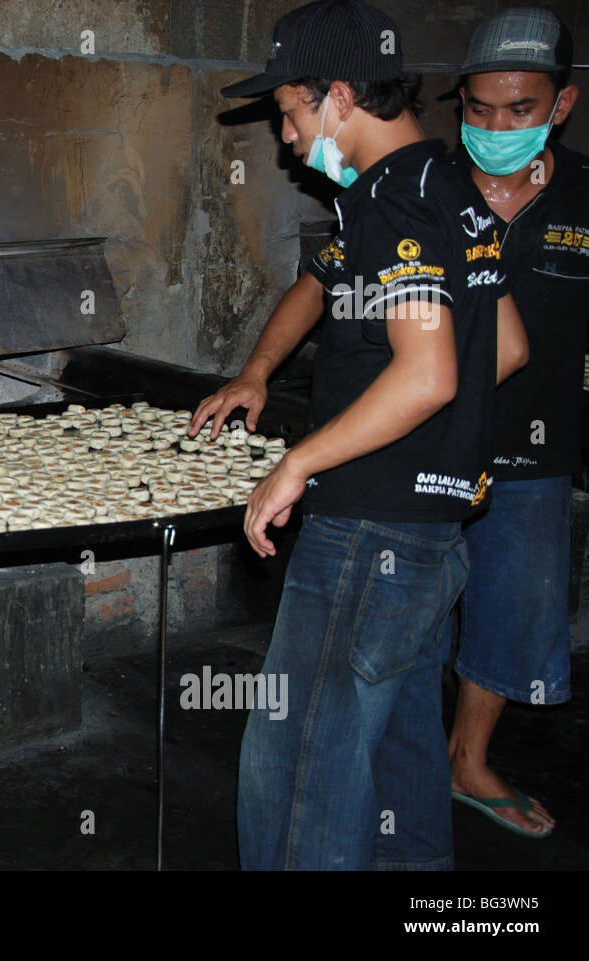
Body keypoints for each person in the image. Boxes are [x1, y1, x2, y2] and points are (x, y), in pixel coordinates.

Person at [208, 0, 529, 869]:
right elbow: (503, 346)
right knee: (398, 751)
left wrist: (298, 464)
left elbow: (427, 374)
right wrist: (428, 443)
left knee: (303, 758)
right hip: (431, 534)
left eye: (290, 111)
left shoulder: (386, 199)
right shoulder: (453, 186)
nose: (285, 135)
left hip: (366, 534)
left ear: (338, 96)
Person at [443, 6, 582, 839]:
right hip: (427, 434)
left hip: (536, 446)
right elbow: (330, 276)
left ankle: (468, 760)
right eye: (478, 108)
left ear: (560, 106)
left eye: (519, 109)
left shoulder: (586, 193)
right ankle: (400, 757)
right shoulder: (429, 180)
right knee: (410, 605)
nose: (495, 127)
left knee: (510, 608)